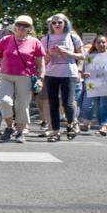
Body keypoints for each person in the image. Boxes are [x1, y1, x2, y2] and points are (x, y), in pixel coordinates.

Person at [0, 14, 42, 141]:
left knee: (22, 105)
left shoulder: (35, 42)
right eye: (19, 24)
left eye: (25, 25)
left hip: (25, 77)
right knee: (4, 101)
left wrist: (41, 78)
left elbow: (40, 62)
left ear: (30, 28)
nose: (21, 27)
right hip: (6, 75)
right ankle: (9, 127)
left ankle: (20, 132)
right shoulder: (6, 40)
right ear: (15, 26)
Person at [40, 12, 82, 142]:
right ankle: (55, 132)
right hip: (51, 73)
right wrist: (50, 54)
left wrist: (67, 52)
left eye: (60, 22)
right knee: (53, 103)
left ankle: (71, 124)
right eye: (54, 23)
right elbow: (43, 60)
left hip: (69, 73)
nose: (57, 25)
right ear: (50, 25)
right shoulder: (45, 39)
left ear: (65, 23)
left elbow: (82, 56)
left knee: (68, 102)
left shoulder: (73, 37)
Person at [77, 34, 107, 135]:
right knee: (94, 105)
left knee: (105, 105)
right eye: (98, 42)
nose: (101, 44)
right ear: (94, 44)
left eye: (103, 42)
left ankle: (104, 126)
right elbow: (83, 69)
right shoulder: (90, 56)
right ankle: (95, 124)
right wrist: (83, 74)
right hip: (94, 85)